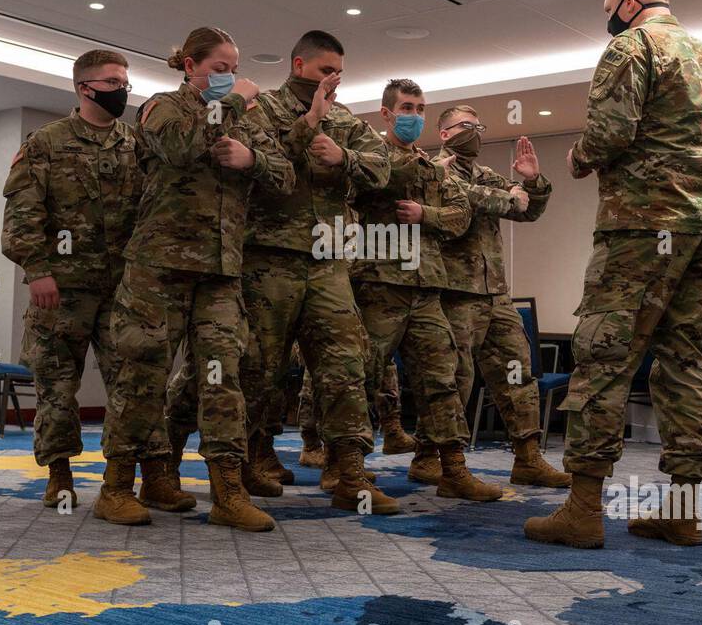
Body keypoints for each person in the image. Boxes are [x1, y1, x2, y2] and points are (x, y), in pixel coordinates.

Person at [524, 0, 702, 549]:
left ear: (625, 2)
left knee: (603, 355)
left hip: (641, 228)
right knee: (688, 359)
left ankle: (584, 509)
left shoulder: (631, 48)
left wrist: (577, 158)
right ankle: (684, 509)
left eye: (608, 8)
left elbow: (609, 134)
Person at [99, 26, 292, 529]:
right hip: (159, 266)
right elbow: (182, 148)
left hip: (221, 271)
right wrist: (229, 106)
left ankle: (227, 492)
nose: (230, 78)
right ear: (190, 66)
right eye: (219, 69)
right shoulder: (161, 107)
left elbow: (286, 176)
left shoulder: (248, 121)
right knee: (142, 375)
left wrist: (253, 158)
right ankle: (117, 487)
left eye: (234, 70)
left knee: (222, 376)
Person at [238, 30, 399, 516]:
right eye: (326, 70)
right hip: (270, 257)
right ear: (299, 64)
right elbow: (265, 165)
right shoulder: (262, 109)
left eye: (340, 72)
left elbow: (381, 169)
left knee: (346, 364)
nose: (334, 79)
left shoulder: (345, 118)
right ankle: (254, 455)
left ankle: (347, 471)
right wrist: (308, 126)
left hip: (330, 259)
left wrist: (345, 157)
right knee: (262, 368)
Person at [2, 49, 143, 510]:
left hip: (121, 287)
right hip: (61, 290)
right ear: (85, 88)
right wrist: (37, 270)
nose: (122, 88)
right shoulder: (46, 142)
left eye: (125, 80)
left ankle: (118, 478)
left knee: (130, 382)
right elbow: (23, 214)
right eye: (111, 81)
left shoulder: (136, 145)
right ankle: (59, 473)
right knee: (57, 384)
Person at [353, 79, 501, 501]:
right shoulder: (371, 156)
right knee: (361, 377)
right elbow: (371, 185)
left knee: (443, 376)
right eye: (406, 108)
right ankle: (346, 467)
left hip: (427, 284)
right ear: (386, 114)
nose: (414, 116)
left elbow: (459, 216)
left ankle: (452, 469)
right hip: (380, 282)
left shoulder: (435, 168)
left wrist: (425, 215)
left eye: (420, 109)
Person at [433, 105, 567, 487]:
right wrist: (509, 196)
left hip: (496, 294)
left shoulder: (484, 174)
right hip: (455, 294)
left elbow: (528, 211)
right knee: (453, 380)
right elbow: (475, 198)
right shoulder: (432, 169)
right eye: (466, 126)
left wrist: (533, 181)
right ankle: (447, 465)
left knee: (517, 371)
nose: (475, 131)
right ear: (445, 134)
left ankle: (527, 457)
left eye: (479, 125)